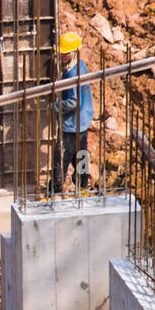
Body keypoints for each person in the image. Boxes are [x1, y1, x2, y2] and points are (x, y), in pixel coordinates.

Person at [52, 32, 94, 194]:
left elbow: (74, 101)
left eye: (65, 52)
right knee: (82, 154)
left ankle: (55, 190)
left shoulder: (71, 73)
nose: (62, 55)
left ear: (74, 52)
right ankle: (83, 185)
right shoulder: (80, 66)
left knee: (61, 158)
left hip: (71, 124)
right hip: (82, 122)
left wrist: (55, 106)